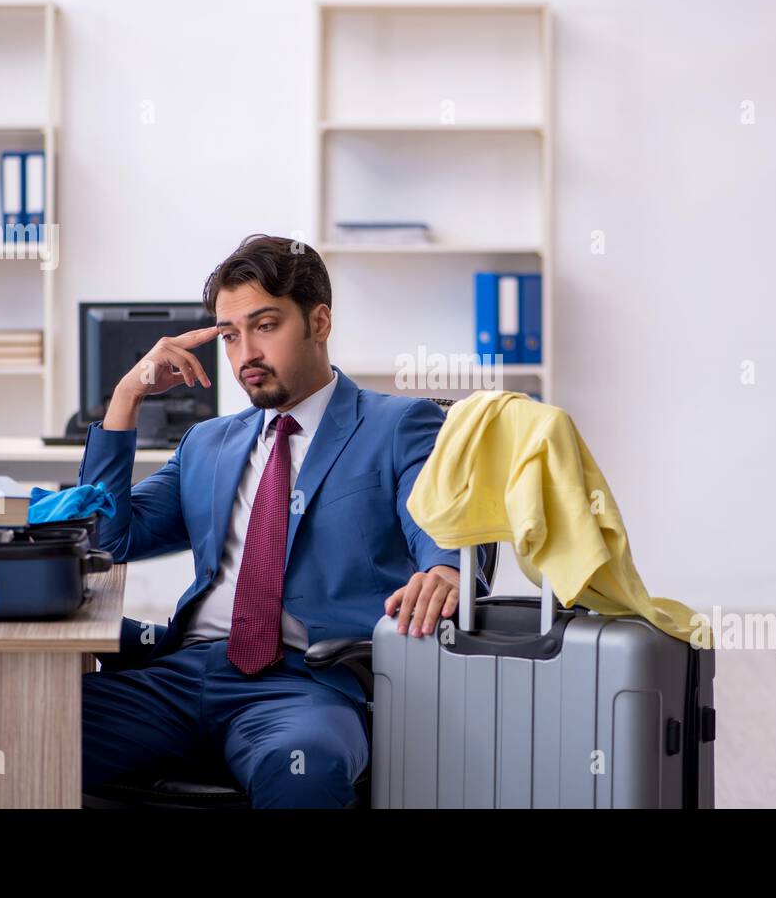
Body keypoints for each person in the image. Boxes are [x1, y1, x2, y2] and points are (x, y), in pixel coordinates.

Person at [79, 233, 482, 808]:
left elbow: (442, 527)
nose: (245, 354)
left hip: (303, 684)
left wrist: (445, 570)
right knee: (15, 727)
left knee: (304, 769)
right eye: (229, 335)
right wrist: (125, 398)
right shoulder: (208, 443)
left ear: (319, 323)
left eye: (265, 326)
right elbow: (107, 538)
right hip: (179, 675)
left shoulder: (397, 425)